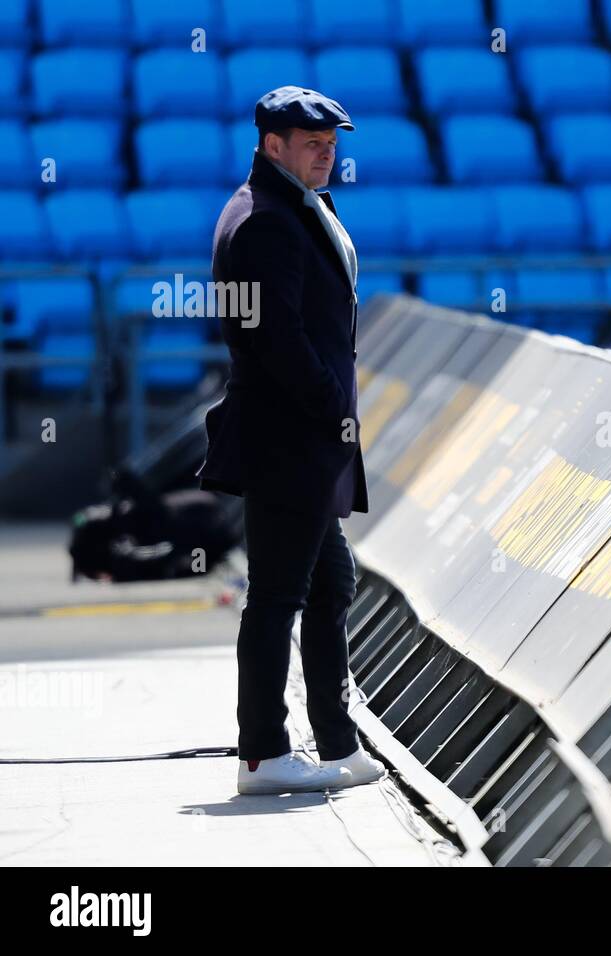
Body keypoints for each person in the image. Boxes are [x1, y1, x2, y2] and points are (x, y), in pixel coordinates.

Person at [196, 86, 386, 795]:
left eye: (332, 145)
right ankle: (264, 753)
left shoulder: (291, 207)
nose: (326, 154)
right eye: (312, 144)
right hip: (290, 440)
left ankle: (335, 740)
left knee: (331, 582)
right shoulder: (266, 221)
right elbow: (273, 337)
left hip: (304, 439)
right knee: (277, 597)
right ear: (271, 145)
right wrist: (331, 403)